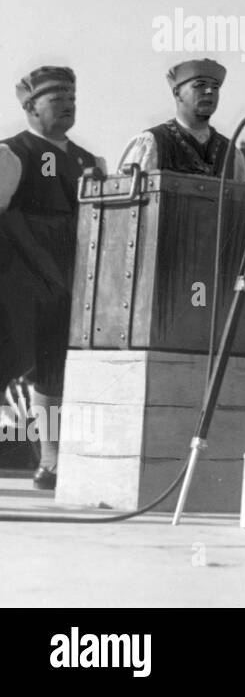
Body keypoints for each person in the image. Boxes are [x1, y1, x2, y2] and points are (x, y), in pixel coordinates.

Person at [0, 67, 105, 489]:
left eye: (72, 97)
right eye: (55, 97)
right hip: (16, 283)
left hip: (69, 283)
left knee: (54, 371)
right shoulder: (10, 154)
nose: (67, 103)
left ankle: (52, 461)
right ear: (29, 106)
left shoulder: (90, 162)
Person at [118, 58, 245, 180]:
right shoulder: (152, 144)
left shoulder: (231, 154)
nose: (209, 91)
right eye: (200, 85)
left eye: (215, 87)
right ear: (176, 93)